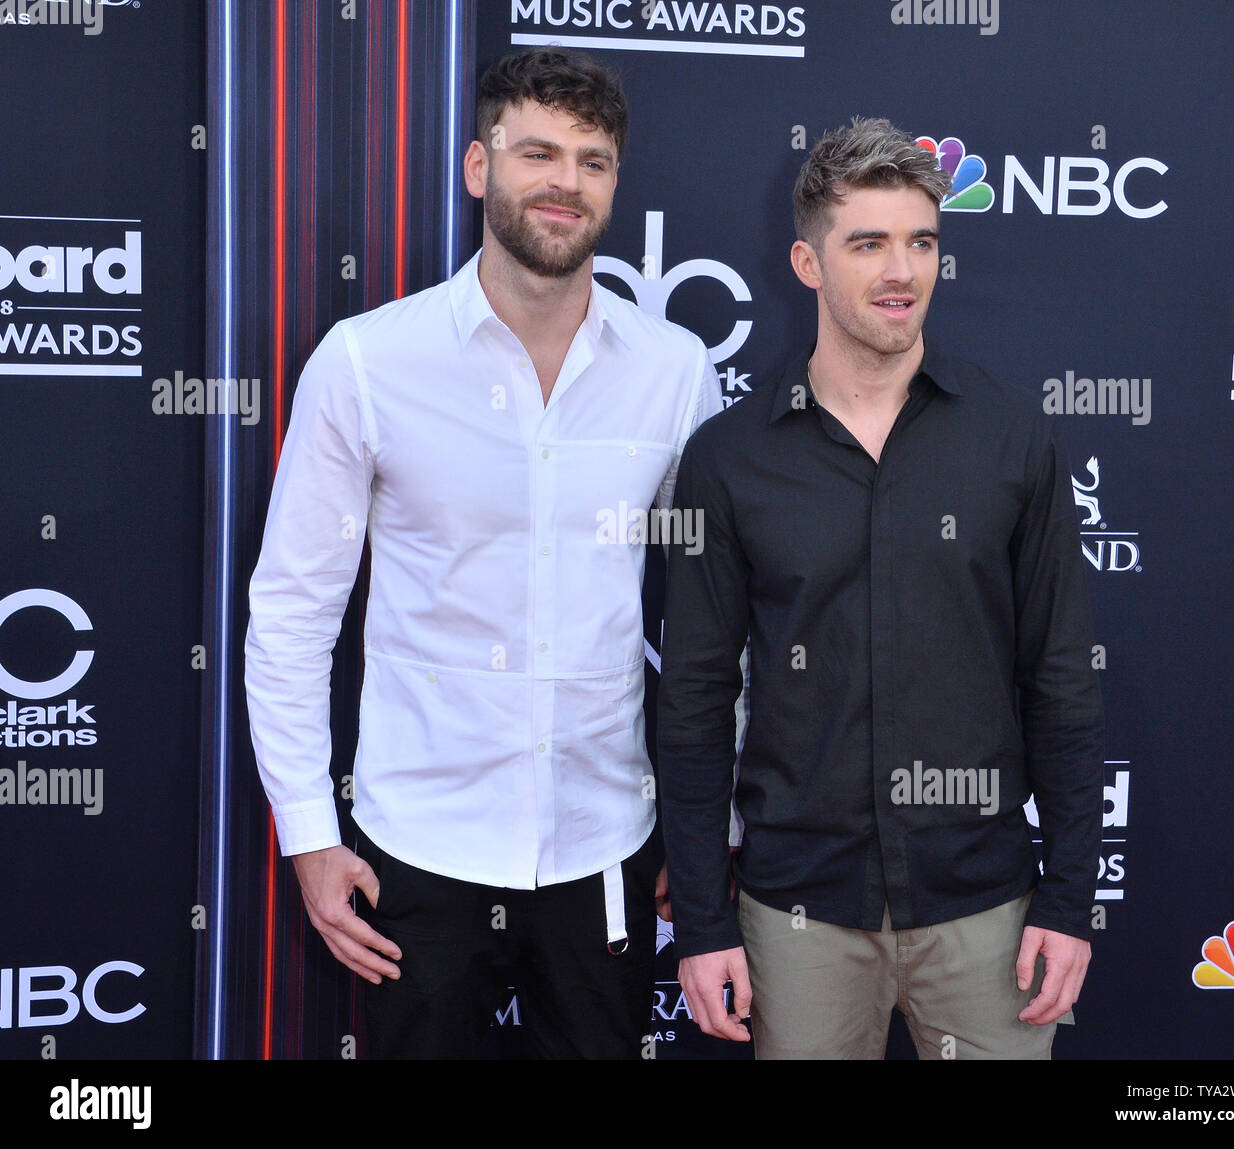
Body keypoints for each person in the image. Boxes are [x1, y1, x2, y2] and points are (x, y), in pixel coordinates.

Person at [245, 47, 721, 1059]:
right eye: (537, 152)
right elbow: (292, 611)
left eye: (593, 161)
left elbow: (718, 617)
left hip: (606, 839)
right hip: (417, 847)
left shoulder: (674, 374)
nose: (565, 181)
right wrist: (309, 835)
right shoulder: (369, 363)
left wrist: (699, 820)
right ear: (478, 167)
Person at [656, 116, 1104, 1059]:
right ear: (807, 263)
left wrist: (1070, 897)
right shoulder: (729, 460)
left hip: (987, 910)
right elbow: (695, 701)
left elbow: (1059, 677)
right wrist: (700, 920)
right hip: (798, 918)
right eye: (869, 243)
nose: (902, 271)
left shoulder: (1013, 437)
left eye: (922, 242)